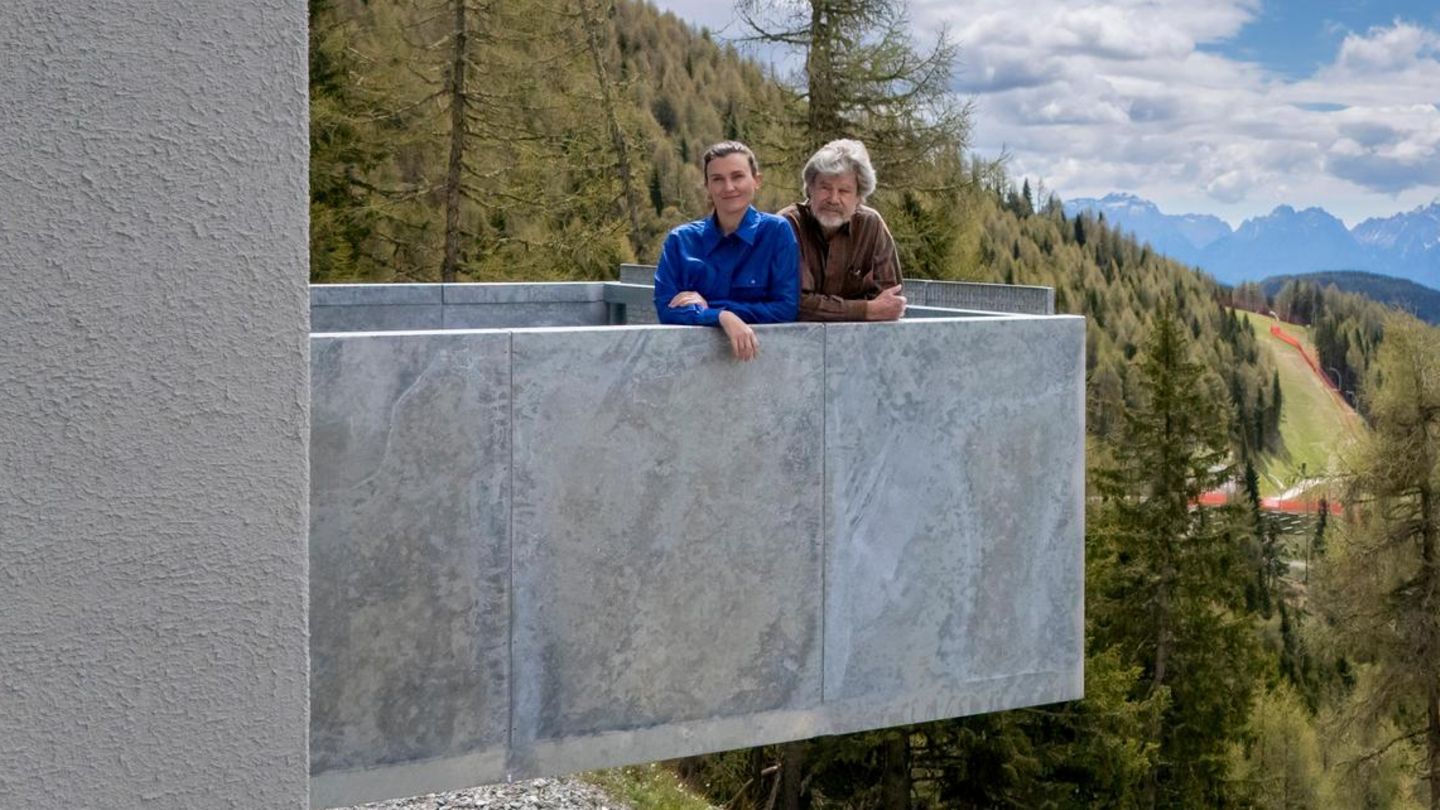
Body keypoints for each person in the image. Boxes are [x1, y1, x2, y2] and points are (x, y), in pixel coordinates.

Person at [654, 141, 799, 361]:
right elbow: (666, 309)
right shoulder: (680, 241)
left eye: (737, 176)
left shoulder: (776, 232)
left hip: (761, 363)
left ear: (756, 181)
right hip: (691, 364)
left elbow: (785, 309)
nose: (729, 187)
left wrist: (713, 309)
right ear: (707, 186)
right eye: (717, 179)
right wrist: (722, 317)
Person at [778, 139, 905, 322]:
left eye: (844, 191)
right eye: (825, 188)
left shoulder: (872, 226)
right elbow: (793, 303)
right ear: (810, 189)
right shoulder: (787, 225)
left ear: (859, 197)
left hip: (860, 339)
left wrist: (824, 307)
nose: (833, 199)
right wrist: (865, 310)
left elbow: (891, 303)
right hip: (793, 339)